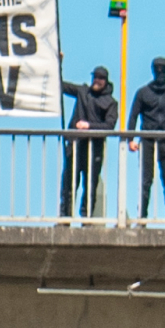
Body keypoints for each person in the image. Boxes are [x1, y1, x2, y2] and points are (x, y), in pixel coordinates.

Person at [126, 57, 165, 219]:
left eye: (162, 68)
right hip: (147, 141)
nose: (160, 71)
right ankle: (142, 217)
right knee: (146, 181)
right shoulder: (143, 93)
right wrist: (130, 139)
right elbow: (133, 115)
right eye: (157, 68)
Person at [60, 66, 118, 218]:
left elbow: (110, 126)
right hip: (75, 145)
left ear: (105, 81)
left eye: (100, 78)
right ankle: (65, 217)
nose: (97, 80)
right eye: (95, 77)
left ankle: (86, 217)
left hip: (94, 148)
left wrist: (89, 126)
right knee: (69, 182)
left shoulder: (110, 102)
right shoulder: (83, 92)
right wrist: (59, 64)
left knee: (90, 184)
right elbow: (60, 85)